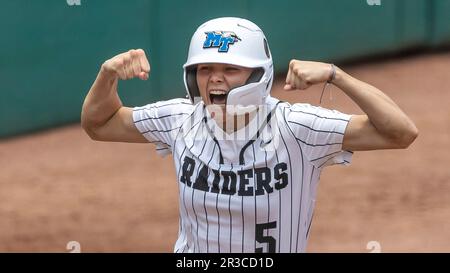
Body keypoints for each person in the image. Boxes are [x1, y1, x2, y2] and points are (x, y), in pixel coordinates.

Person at [81, 17, 418, 253]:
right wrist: (106, 75)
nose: (215, 79)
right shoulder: (180, 118)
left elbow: (400, 132)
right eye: (205, 69)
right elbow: (100, 123)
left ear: (258, 74)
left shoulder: (298, 127)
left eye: (230, 70)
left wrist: (336, 75)